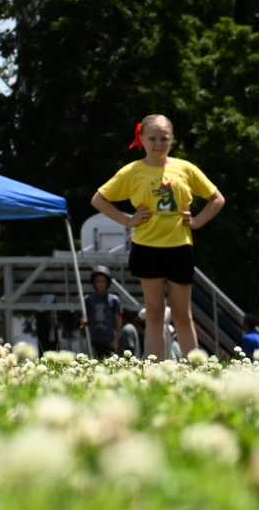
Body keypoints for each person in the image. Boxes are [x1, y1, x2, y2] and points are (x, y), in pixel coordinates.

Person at [91, 113, 223, 360]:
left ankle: (197, 368)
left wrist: (197, 221)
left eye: (164, 138)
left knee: (182, 314)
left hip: (179, 246)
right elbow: (98, 199)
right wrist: (127, 221)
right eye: (152, 138)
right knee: (154, 313)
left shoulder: (185, 168)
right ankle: (155, 369)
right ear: (142, 139)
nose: (158, 144)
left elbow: (217, 199)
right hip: (146, 247)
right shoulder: (133, 171)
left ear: (172, 139)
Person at [84, 264, 123, 359]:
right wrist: (83, 322)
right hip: (94, 340)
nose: (100, 284)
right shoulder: (88, 300)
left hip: (109, 340)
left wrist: (116, 340)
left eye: (103, 281)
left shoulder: (114, 300)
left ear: (107, 283)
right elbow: (85, 318)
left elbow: (118, 322)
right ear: (94, 283)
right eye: (98, 281)